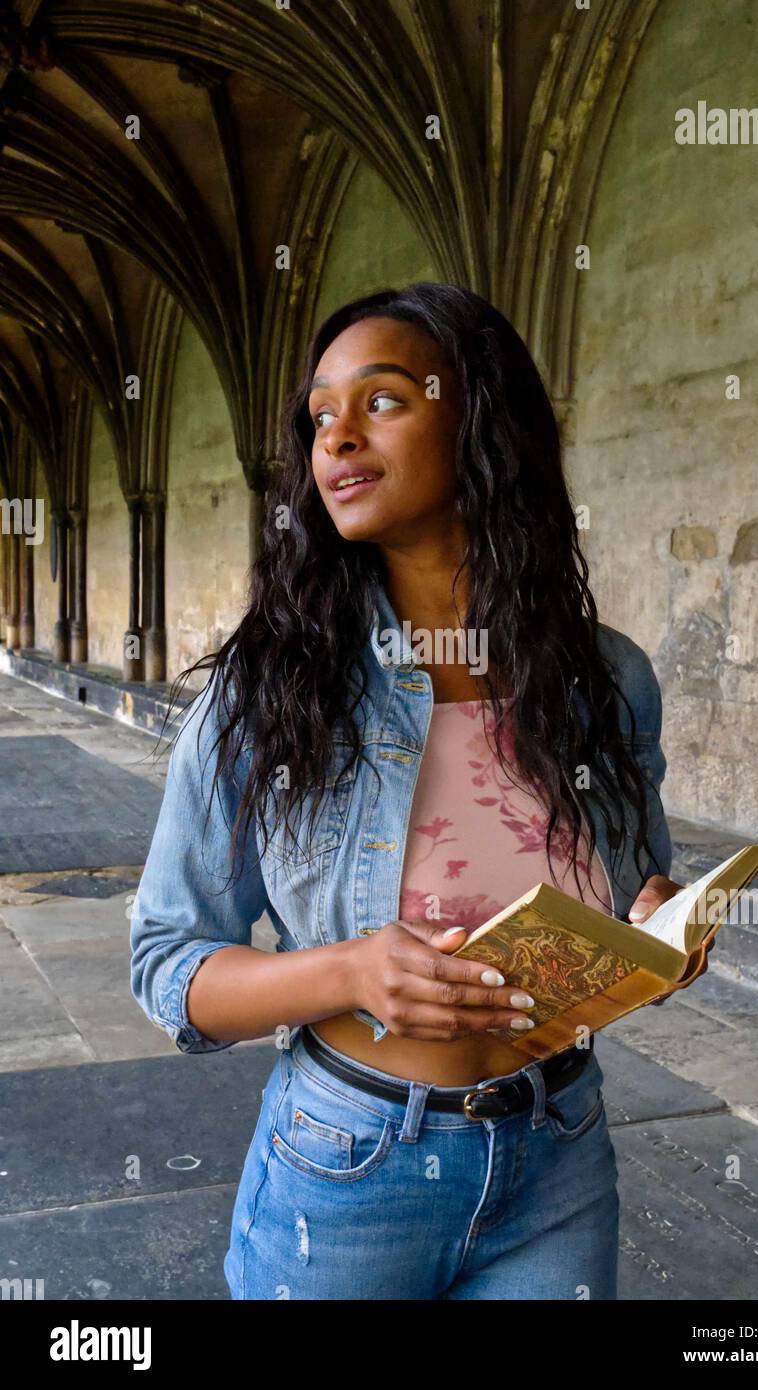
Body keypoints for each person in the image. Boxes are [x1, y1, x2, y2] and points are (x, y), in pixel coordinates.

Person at [130, 281, 699, 1300]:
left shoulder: (608, 678)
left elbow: (634, 889)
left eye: (382, 400)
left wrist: (659, 930)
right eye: (319, 417)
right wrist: (349, 972)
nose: (337, 436)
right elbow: (170, 965)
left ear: (481, 421)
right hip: (348, 1167)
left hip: (556, 1148)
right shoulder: (270, 688)